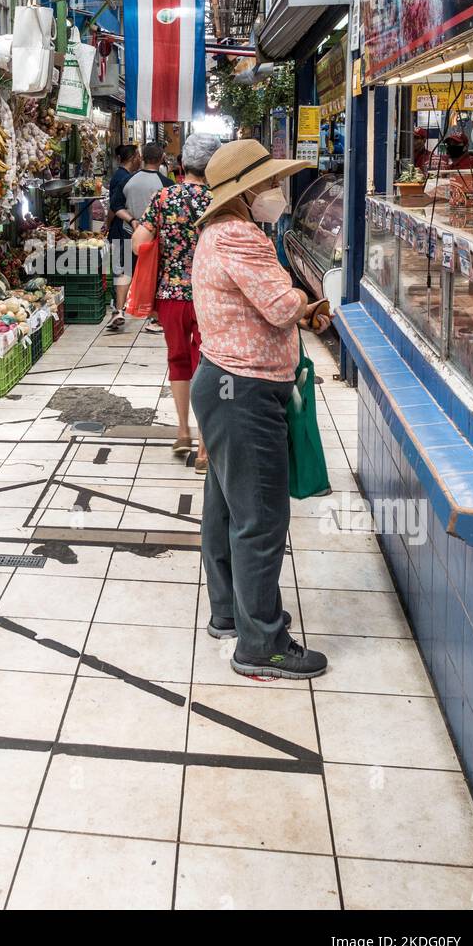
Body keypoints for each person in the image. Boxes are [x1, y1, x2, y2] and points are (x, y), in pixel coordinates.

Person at [190, 139, 332, 680]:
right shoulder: (242, 237)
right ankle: (263, 644)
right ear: (247, 192)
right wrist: (308, 300)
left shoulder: (216, 234)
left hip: (224, 384)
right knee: (261, 520)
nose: (278, 192)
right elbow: (278, 305)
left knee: (227, 511)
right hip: (243, 392)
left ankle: (232, 613)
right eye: (271, 184)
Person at [131, 132, 221, 473]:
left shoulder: (163, 197)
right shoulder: (219, 199)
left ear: (182, 165)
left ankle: (182, 430)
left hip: (170, 296)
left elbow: (140, 243)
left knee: (178, 359)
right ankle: (204, 446)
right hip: (208, 295)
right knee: (206, 365)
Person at [123, 142, 175, 335]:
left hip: (133, 234)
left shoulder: (128, 181)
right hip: (158, 241)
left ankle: (132, 307)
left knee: (136, 275)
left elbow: (117, 206)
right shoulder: (167, 185)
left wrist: (133, 222)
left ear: (142, 158)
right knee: (155, 278)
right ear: (162, 158)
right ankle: (154, 315)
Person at [106, 143, 140, 331]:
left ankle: (119, 306)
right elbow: (114, 206)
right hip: (121, 229)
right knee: (122, 268)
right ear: (134, 157)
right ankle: (117, 306)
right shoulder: (123, 177)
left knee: (123, 268)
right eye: (138, 155)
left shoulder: (123, 176)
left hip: (123, 229)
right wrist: (108, 224)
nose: (140, 159)